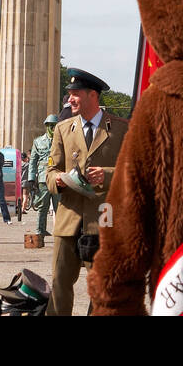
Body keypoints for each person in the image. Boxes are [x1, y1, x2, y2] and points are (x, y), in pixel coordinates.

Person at [46, 69, 128, 316]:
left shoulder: (122, 128)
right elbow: (50, 170)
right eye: (69, 94)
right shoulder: (62, 129)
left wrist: (108, 174)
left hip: (104, 218)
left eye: (75, 94)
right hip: (69, 217)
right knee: (60, 281)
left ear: (93, 95)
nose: (69, 99)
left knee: (101, 284)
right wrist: (58, 180)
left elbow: (136, 170)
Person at [26, 114, 60, 244]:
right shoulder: (38, 142)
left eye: (54, 125)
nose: (52, 127)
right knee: (42, 207)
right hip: (43, 178)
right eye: (50, 125)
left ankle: (61, 236)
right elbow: (33, 161)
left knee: (60, 207)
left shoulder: (62, 140)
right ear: (46, 126)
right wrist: (30, 178)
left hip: (58, 178)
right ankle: (40, 232)